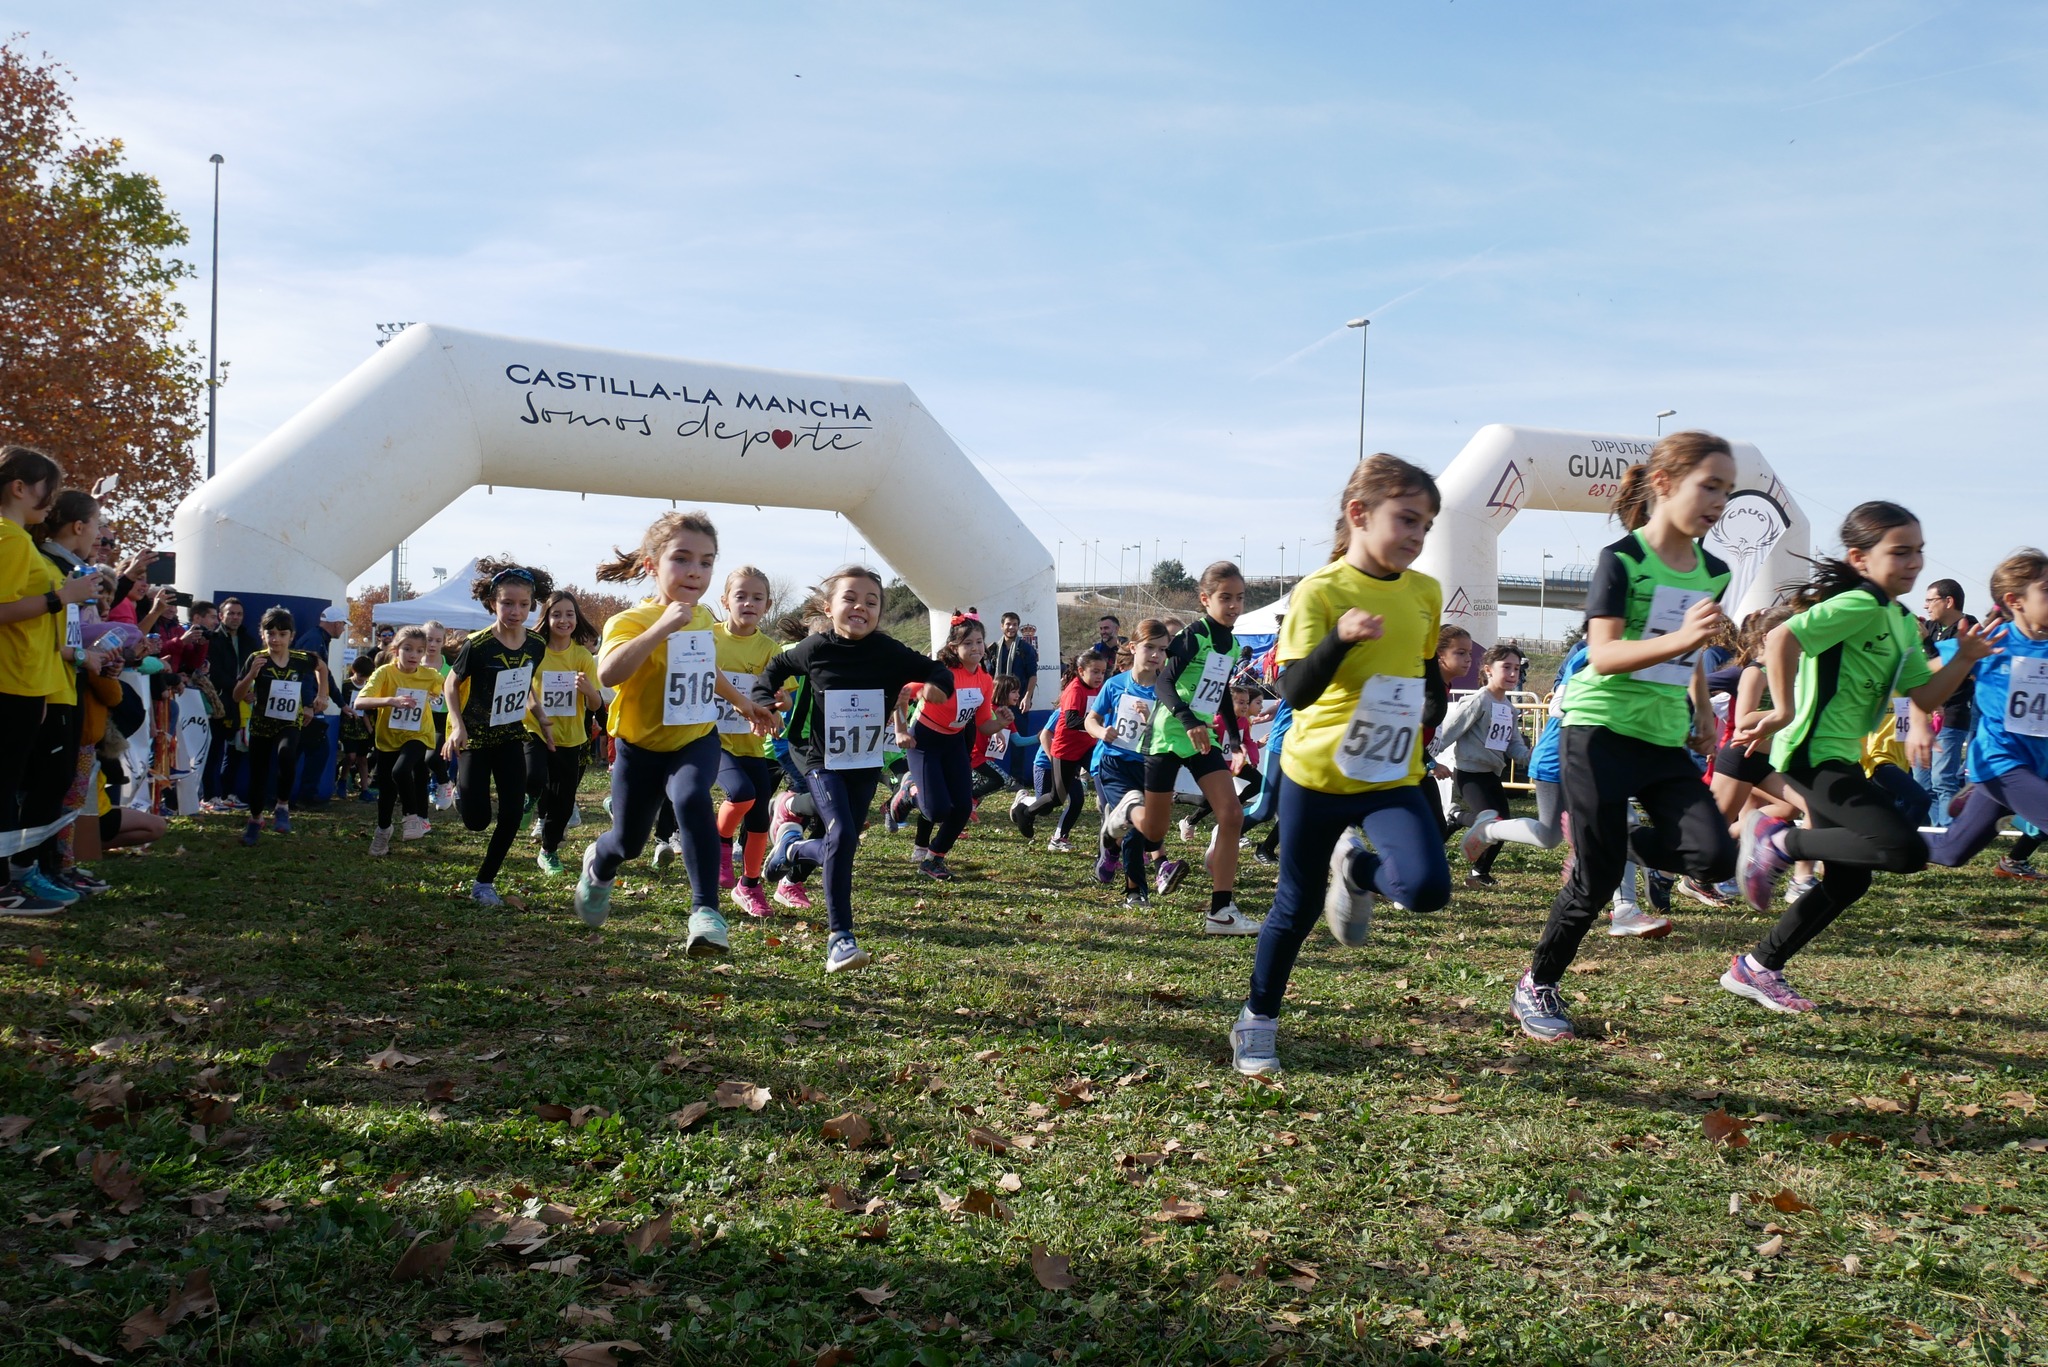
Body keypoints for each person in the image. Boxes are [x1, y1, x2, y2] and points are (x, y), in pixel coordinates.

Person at [1230, 454, 1454, 1075]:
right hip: (1318, 775)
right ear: (1359, 514)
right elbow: (1295, 690)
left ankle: (1356, 869)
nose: (1416, 535)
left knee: (1427, 889)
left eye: (1426, 526)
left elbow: (1425, 670)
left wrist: (1431, 697)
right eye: (1407, 519)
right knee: (1295, 909)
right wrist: (1342, 639)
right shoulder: (1321, 591)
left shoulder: (1426, 592)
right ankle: (1257, 1019)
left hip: (1392, 775)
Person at [1511, 432, 1740, 1043]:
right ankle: (1537, 983)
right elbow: (1606, 654)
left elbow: (1689, 653)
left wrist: (1701, 708)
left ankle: (1634, 843)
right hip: (1599, 731)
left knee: (1714, 855)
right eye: (1708, 485)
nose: (1719, 500)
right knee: (1593, 879)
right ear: (1665, 484)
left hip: (1663, 739)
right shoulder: (1623, 559)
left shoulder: (1717, 572)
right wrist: (1686, 639)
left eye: (1727, 489)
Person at [1729, 501, 1993, 1013]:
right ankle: (1777, 839)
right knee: (1904, 850)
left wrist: (1962, 659)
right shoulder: (1858, 604)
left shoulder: (1898, 620)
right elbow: (1783, 637)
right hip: (1812, 754)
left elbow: (1922, 697)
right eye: (1900, 551)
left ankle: (1757, 967)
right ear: (1860, 558)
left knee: (1850, 879)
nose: (1914, 561)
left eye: (1918, 551)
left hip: (1841, 758)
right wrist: (1782, 709)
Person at [575, 514, 776, 954]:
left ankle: (706, 913)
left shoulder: (703, 616)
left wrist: (743, 703)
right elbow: (609, 673)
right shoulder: (629, 620)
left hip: (696, 737)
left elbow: (704, 664)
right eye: (682, 559)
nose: (695, 572)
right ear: (651, 565)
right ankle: (600, 862)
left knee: (690, 797)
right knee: (628, 841)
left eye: (706, 563)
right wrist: (662, 625)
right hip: (639, 748)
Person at [757, 565, 951, 971]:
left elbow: (939, 670)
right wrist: (762, 699)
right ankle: (840, 937)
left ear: (880, 612)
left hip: (863, 762)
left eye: (871, 601)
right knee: (842, 834)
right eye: (850, 598)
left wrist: (935, 686)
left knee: (842, 842)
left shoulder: (890, 652)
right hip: (820, 758)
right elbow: (775, 668)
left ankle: (792, 848)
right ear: (829, 607)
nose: (860, 606)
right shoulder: (816, 648)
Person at [1128, 562, 1261, 934]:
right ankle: (1126, 813)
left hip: (1203, 738)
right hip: (1168, 733)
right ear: (1205, 600)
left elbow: (1216, 694)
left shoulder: (1232, 645)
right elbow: (1164, 684)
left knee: (1231, 814)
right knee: (1154, 831)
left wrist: (1235, 743)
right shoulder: (1195, 635)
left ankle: (1221, 911)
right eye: (1225, 598)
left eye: (1240, 598)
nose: (1234, 605)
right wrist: (1189, 721)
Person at [1922, 551, 2048, 878]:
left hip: (2038, 768)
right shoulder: (1990, 641)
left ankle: (1871, 842)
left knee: (1951, 852)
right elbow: (1919, 679)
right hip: (2000, 762)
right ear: (2015, 600)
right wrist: (1921, 723)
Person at [442, 561, 553, 906]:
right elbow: (451, 683)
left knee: (511, 814)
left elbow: (524, 685)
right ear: (493, 602)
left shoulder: (536, 645)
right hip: (476, 737)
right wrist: (458, 725)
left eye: (523, 604)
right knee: (477, 821)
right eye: (507, 603)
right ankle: (464, 794)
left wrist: (541, 716)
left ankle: (484, 882)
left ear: (532, 603)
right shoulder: (477, 645)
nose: (515, 611)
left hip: (509, 737)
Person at [903, 613, 1006, 881]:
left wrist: (1002, 722)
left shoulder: (984, 679)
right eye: (968, 643)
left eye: (980, 642)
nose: (976, 648)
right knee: (936, 811)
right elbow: (904, 691)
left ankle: (933, 860)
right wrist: (901, 729)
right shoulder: (942, 673)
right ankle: (906, 794)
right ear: (954, 648)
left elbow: (984, 724)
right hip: (925, 741)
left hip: (954, 743)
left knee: (962, 807)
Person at [708, 567, 782, 918]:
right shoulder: (707, 637)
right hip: (711, 739)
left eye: (757, 597)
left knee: (759, 821)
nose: (748, 603)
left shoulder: (770, 649)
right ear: (725, 602)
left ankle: (749, 886)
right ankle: (720, 842)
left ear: (767, 605)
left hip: (752, 743)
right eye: (740, 596)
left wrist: (777, 710)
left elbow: (783, 698)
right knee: (741, 793)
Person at [1084, 619, 1170, 908]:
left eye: (1162, 649)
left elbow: (1171, 734)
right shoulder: (1115, 684)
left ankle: (1109, 845)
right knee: (1136, 823)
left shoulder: (1166, 690)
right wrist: (1100, 731)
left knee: (1135, 826)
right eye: (1150, 648)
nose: (1156, 655)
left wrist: (1151, 720)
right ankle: (1135, 892)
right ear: (1133, 648)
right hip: (1114, 764)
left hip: (1147, 767)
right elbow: (1091, 719)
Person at [1432, 642, 1531, 888]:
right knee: (1493, 823)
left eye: (1516, 669)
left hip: (1491, 774)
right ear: (1488, 670)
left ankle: (1478, 873)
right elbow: (1447, 734)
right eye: (1506, 667)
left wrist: (1534, 756)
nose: (1512, 674)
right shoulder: (1477, 701)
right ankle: (1456, 817)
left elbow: (1514, 747)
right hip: (1469, 773)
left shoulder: (1509, 709)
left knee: (1503, 827)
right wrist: (1429, 761)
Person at [523, 589, 603, 877]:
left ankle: (549, 851)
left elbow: (595, 705)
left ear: (576, 619)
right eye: (557, 614)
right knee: (534, 777)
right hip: (535, 729)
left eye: (569, 614)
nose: (563, 620)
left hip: (571, 737)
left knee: (563, 801)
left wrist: (588, 691)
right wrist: (540, 716)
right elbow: (525, 689)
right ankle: (526, 801)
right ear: (546, 618)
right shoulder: (534, 650)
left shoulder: (582, 656)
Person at [232, 607, 328, 846]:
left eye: (282, 634)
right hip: (263, 724)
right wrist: (250, 676)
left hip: (289, 721)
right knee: (258, 774)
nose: (276, 639)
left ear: (291, 636)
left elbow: (322, 667)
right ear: (262, 634)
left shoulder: (299, 659)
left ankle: (282, 805)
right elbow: (237, 696)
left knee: (287, 754)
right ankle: (255, 820)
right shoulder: (257, 659)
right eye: (271, 633)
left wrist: (322, 694)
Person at [353, 624, 442, 853]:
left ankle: (412, 818)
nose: (414, 655)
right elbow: (359, 703)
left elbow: (449, 691)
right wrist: (390, 700)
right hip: (388, 738)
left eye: (419, 650)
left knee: (401, 771)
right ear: (396, 650)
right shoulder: (384, 673)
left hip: (418, 735)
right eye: (408, 649)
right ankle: (383, 830)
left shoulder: (430, 676)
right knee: (387, 792)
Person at [1012, 645, 1108, 849]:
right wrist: (1097, 727)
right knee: (1056, 799)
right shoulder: (1075, 689)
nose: (1100, 676)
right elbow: (1072, 721)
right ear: (1081, 671)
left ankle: (1064, 837)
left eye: (1103, 672)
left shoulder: (1100, 688)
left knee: (1101, 776)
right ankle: (1025, 811)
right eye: (1095, 672)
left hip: (1087, 747)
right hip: (1066, 751)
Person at [1919, 578, 1978, 828]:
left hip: (1952, 713)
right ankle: (1935, 831)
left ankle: (1947, 833)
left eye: (1930, 600)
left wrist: (1925, 643)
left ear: (1948, 601)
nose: (1925, 606)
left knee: (1942, 779)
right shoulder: (1931, 628)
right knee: (1922, 782)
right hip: (1923, 714)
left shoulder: (1969, 629)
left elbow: (1950, 668)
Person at [202, 596, 256, 807]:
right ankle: (209, 796)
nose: (235, 617)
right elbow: (213, 671)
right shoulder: (213, 639)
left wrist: (250, 691)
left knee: (237, 750)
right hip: (219, 701)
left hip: (243, 705)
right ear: (221, 615)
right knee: (214, 750)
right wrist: (238, 688)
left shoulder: (249, 641)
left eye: (239, 614)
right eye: (231, 613)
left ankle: (228, 794)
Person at [991, 611, 1039, 711]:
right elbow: (989, 676)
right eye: (1008, 624)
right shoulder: (994, 649)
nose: (1011, 627)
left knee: (1018, 727)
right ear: (1002, 626)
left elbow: (1033, 676)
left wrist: (1027, 698)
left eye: (1015, 624)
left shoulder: (1026, 648)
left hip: (1018, 702)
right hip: (997, 701)